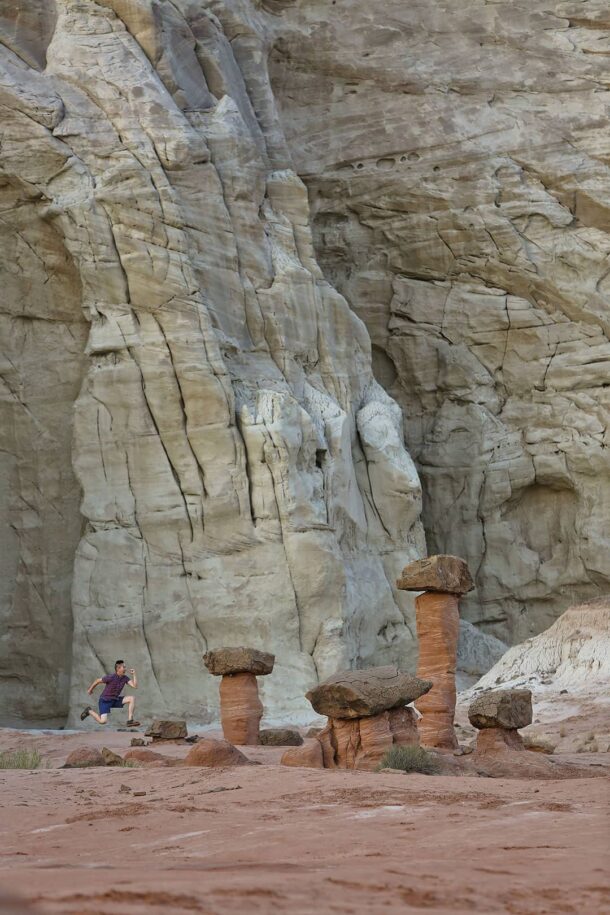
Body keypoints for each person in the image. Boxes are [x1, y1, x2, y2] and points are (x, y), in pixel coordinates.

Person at [80, 660, 140, 727]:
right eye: (124, 667)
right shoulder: (111, 677)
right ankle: (89, 711)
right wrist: (90, 690)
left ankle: (130, 720)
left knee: (132, 698)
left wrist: (134, 674)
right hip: (105, 701)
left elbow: (135, 686)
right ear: (118, 668)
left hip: (115, 700)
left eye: (125, 667)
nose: (125, 669)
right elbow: (97, 681)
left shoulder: (125, 678)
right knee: (103, 721)